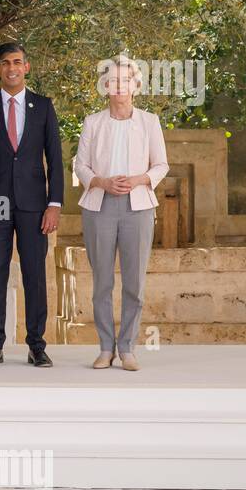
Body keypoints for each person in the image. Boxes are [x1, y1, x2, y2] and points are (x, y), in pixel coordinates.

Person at [0, 41, 64, 367]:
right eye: (5, 63)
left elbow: (55, 160)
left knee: (34, 273)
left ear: (26, 66)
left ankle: (37, 345)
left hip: (35, 205)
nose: (11, 68)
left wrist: (55, 204)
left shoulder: (43, 106)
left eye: (17, 62)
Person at [73, 55, 170, 371]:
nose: (119, 86)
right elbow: (81, 165)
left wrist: (141, 179)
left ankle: (127, 348)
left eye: (125, 80)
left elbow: (161, 165)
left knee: (134, 283)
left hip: (138, 208)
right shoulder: (92, 122)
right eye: (112, 80)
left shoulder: (149, 122)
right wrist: (100, 181)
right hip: (99, 207)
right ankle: (105, 348)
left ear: (135, 85)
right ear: (105, 86)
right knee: (102, 282)